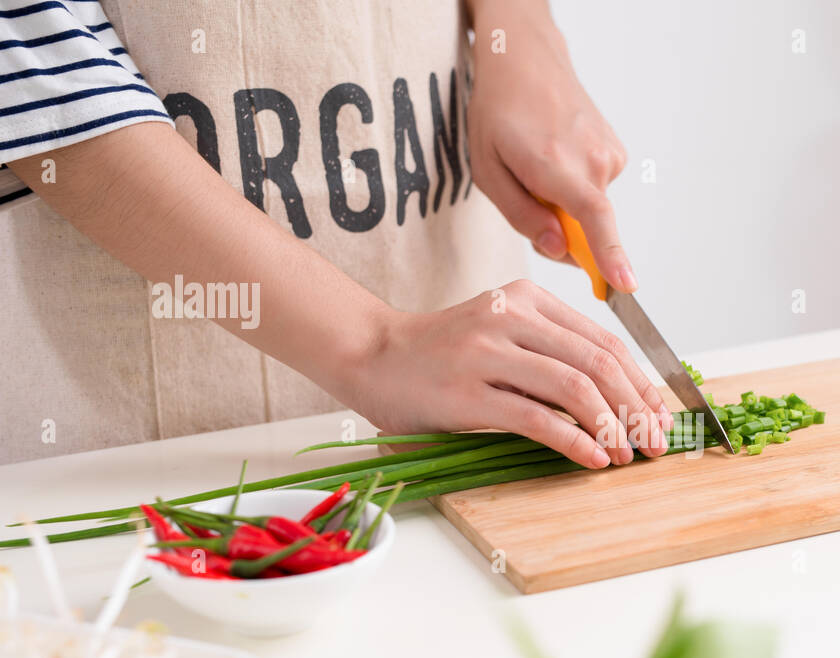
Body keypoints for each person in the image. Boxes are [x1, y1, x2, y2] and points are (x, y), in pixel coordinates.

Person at [0, 0, 671, 467]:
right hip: (141, 466)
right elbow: (34, 63)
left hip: (439, 245)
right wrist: (374, 346)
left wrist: (522, 34)